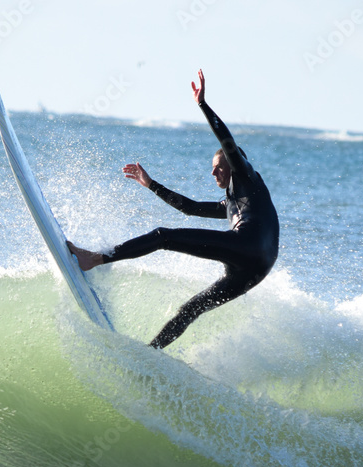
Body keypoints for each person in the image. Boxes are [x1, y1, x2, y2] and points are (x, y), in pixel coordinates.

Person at [68, 69, 279, 349]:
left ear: (233, 163)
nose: (213, 173)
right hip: (254, 268)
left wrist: (203, 105)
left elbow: (225, 139)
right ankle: (151, 353)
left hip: (249, 247)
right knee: (190, 309)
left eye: (218, 167)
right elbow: (190, 208)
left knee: (162, 236)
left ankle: (94, 259)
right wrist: (151, 184)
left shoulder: (246, 177)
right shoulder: (233, 203)